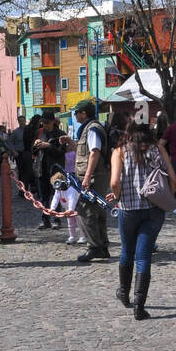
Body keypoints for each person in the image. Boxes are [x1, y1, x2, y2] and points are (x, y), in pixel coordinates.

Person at [107, 121, 174, 321]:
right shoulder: (155, 151)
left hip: (128, 210)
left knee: (127, 250)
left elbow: (114, 182)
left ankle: (124, 293)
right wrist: (168, 197)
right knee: (143, 256)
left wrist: (117, 197)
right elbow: (173, 178)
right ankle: (139, 306)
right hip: (153, 209)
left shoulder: (119, 151)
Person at [72, 101, 111, 262]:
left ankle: (94, 247)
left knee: (85, 211)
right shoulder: (89, 128)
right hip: (97, 175)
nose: (75, 116)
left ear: (84, 113)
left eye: (77, 113)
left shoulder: (92, 129)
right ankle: (102, 247)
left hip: (95, 176)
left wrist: (87, 176)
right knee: (98, 212)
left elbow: (94, 152)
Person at [32, 111, 66, 229]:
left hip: (55, 168)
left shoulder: (60, 134)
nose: (45, 125)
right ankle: (45, 219)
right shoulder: (39, 132)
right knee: (43, 196)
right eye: (43, 122)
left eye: (47, 122)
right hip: (41, 167)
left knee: (56, 194)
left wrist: (49, 146)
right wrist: (35, 145)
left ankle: (56, 219)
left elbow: (61, 152)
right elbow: (33, 151)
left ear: (53, 122)